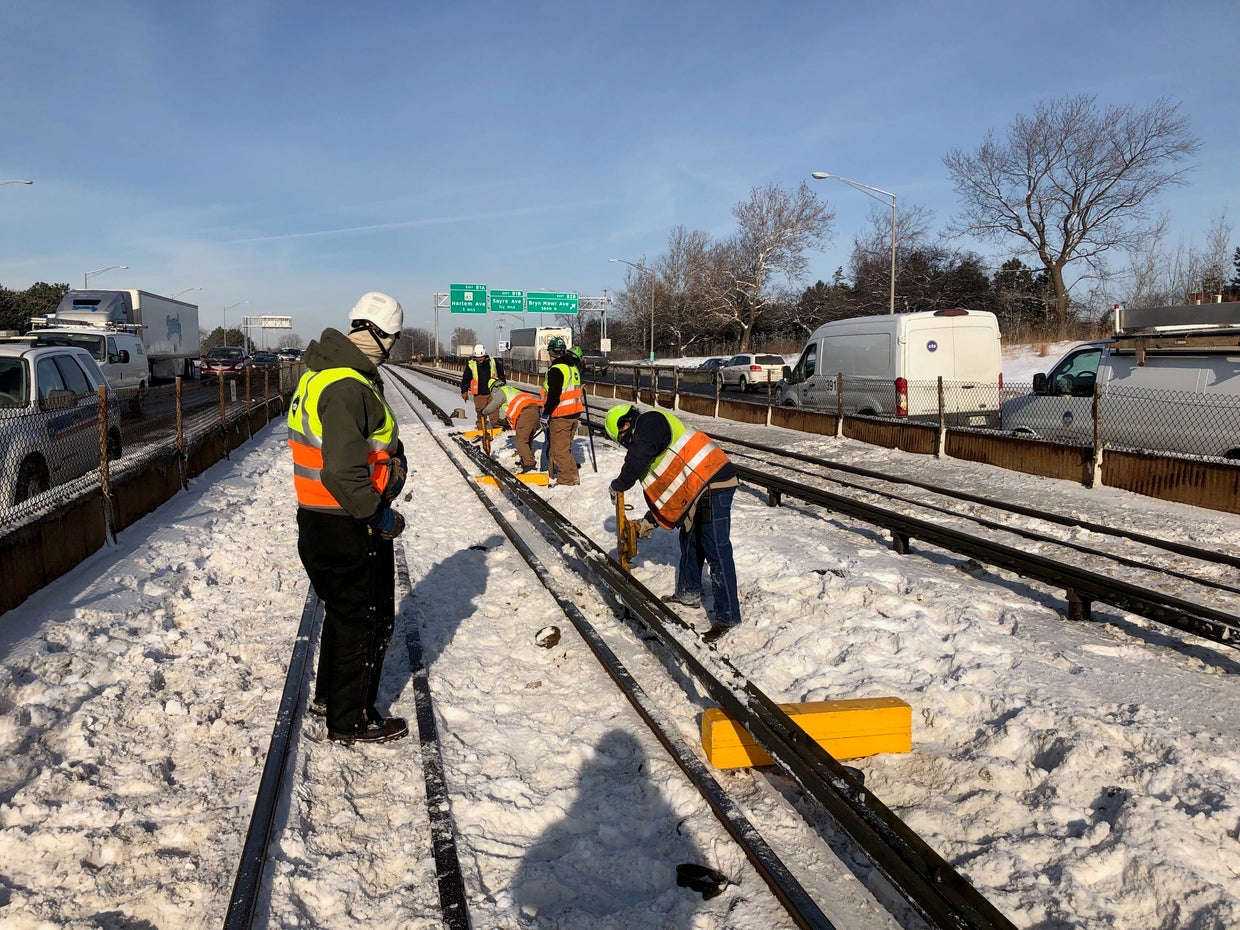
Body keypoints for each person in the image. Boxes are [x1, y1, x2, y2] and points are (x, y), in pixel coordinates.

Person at [287, 292, 410, 744]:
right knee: (367, 620)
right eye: (393, 338)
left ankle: (330, 697)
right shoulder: (348, 387)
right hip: (349, 522)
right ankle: (351, 719)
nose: (392, 347)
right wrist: (378, 516)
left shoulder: (320, 375)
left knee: (344, 615)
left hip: (318, 518)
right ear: (381, 336)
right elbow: (342, 470)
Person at [604, 404, 741, 643]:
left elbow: (636, 460)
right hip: (697, 487)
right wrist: (648, 522)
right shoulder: (649, 448)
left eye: (624, 440)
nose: (628, 446)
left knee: (716, 548)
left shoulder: (650, 422)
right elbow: (671, 495)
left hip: (713, 480)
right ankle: (688, 592)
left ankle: (728, 617)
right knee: (690, 540)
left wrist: (619, 484)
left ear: (625, 425)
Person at [540, 336, 582, 486]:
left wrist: (545, 414)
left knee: (559, 451)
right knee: (565, 449)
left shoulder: (556, 369)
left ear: (551, 353)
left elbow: (554, 396)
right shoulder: (572, 367)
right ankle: (573, 476)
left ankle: (566, 480)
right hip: (573, 414)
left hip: (561, 415)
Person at [479, 383, 541, 472]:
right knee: (527, 439)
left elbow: (492, 407)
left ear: (493, 388)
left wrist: (483, 412)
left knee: (520, 441)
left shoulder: (501, 392)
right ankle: (526, 460)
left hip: (526, 413)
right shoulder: (511, 390)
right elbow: (513, 409)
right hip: (534, 411)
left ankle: (529, 464)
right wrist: (506, 423)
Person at [460, 344, 506, 429]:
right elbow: (465, 379)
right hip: (479, 394)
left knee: (494, 411)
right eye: (477, 357)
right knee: (480, 412)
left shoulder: (493, 362)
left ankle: (496, 426)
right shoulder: (471, 365)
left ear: (484, 354)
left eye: (481, 357)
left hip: (493, 392)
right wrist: (464, 391)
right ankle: (481, 427)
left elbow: (501, 375)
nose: (479, 359)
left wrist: (503, 387)